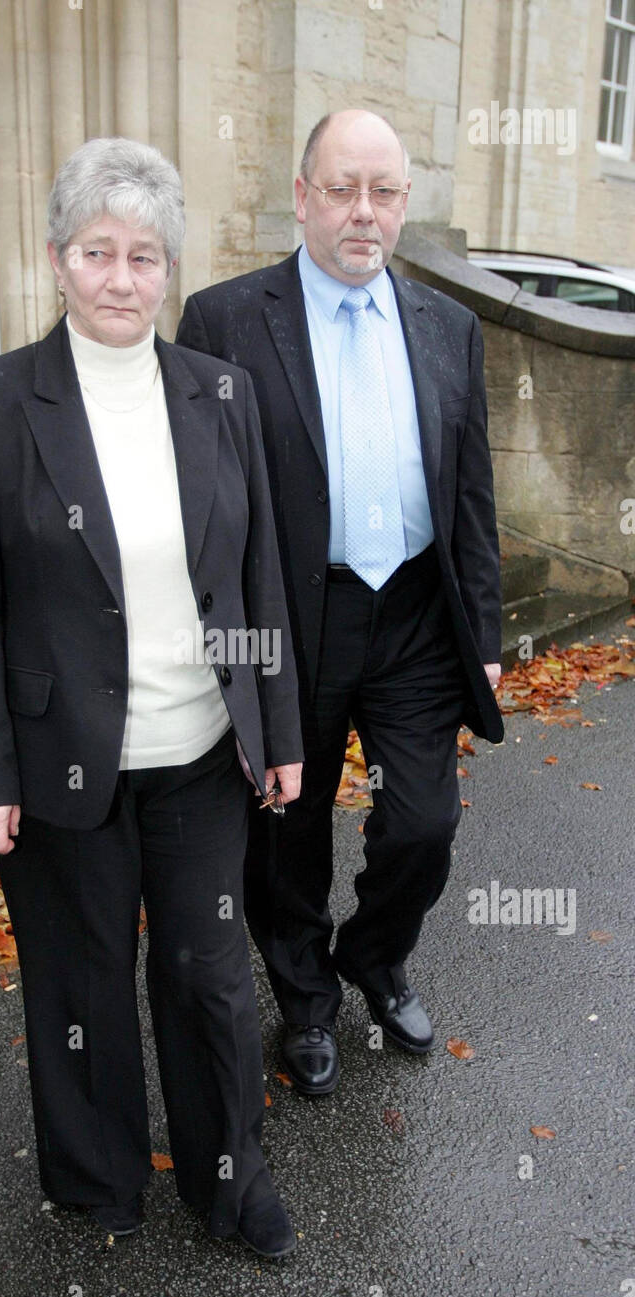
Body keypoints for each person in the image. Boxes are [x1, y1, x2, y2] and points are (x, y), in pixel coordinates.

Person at [0, 136, 304, 1257]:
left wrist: (276, 727)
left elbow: (257, 573)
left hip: (199, 756)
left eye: (145, 256)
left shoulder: (219, 391)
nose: (121, 277)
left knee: (211, 980)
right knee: (80, 982)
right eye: (99, 250)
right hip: (61, 768)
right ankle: (100, 1184)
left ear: (168, 271)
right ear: (57, 258)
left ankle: (228, 1183)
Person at [176, 109, 504, 1095]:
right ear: (302, 196)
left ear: (404, 202)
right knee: (288, 826)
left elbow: (472, 495)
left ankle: (375, 950)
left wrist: (481, 633)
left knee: (422, 824)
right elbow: (208, 512)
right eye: (343, 188)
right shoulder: (225, 319)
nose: (364, 212)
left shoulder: (451, 328)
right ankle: (308, 1000)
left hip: (411, 617)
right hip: (292, 618)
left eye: (385, 192)